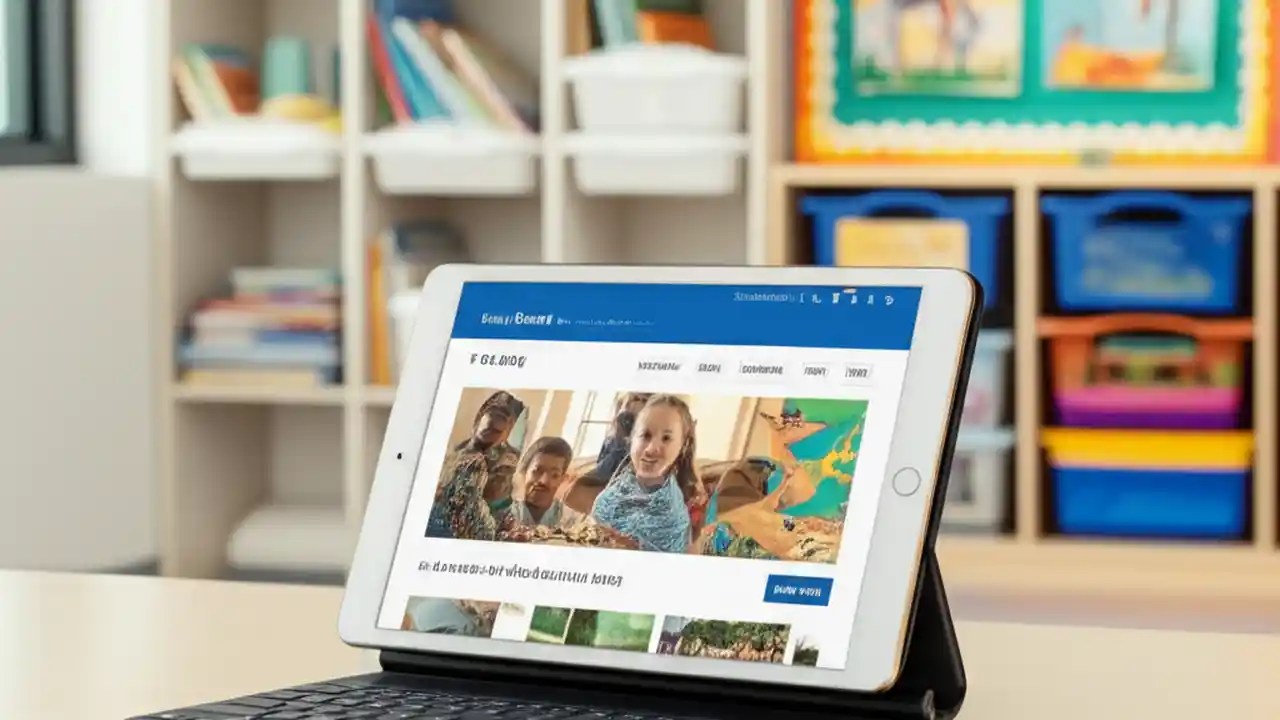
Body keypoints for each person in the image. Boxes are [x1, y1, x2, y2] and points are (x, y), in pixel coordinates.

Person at [590, 395, 705, 553]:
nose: (651, 449)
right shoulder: (609, 495)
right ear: (631, 439)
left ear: (682, 446)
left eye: (666, 438)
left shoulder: (678, 515)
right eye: (645, 435)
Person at [426, 391, 525, 540]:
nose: (492, 435)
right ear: (478, 423)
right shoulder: (454, 456)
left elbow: (507, 502)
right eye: (487, 429)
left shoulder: (510, 460)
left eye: (499, 431)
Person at [509, 436, 583, 529]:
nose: (543, 481)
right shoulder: (505, 512)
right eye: (537, 471)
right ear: (525, 471)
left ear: (562, 479)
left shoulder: (573, 522)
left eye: (554, 475)